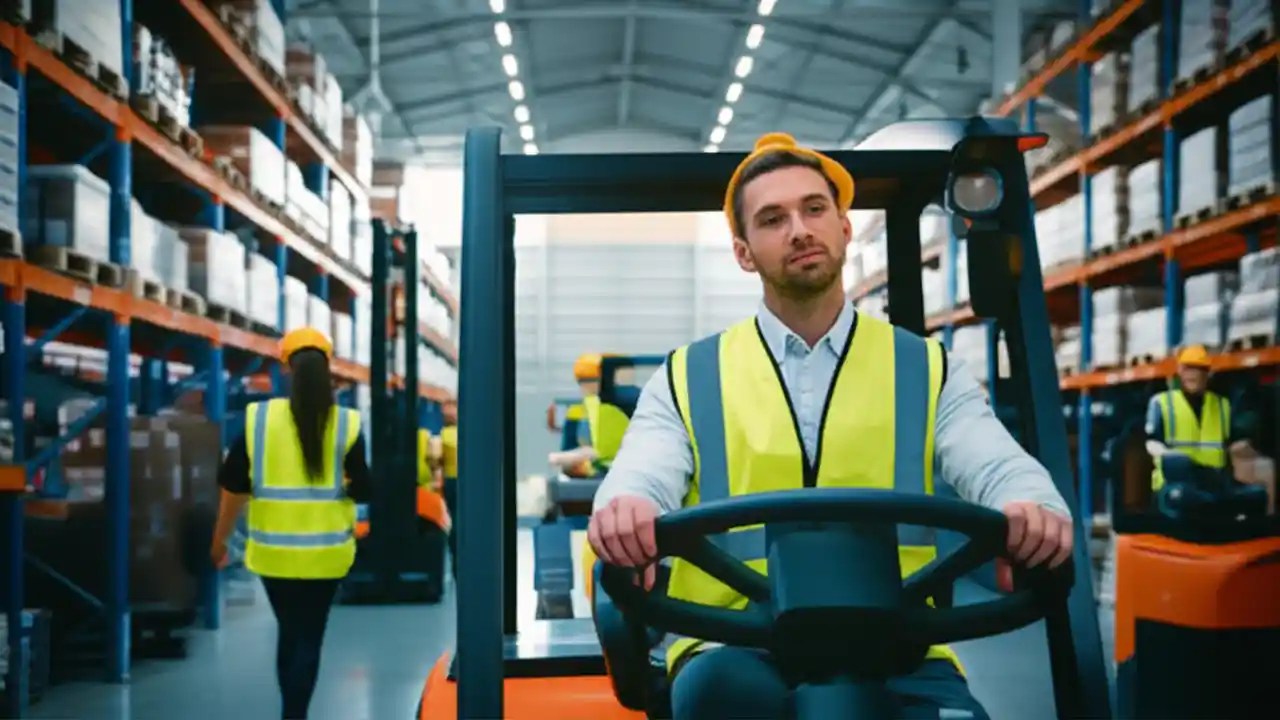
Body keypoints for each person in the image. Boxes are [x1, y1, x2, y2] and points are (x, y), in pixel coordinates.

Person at [586, 132, 1075, 720]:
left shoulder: (927, 368)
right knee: (723, 701)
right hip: (735, 644)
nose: (798, 229)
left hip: (899, 650)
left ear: (844, 228)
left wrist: (1030, 504)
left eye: (814, 209)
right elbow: (643, 468)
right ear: (744, 253)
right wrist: (626, 507)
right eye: (772, 219)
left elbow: (995, 461)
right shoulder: (689, 375)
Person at [210, 327, 369, 720]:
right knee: (310, 636)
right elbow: (365, 489)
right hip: (327, 556)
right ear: (328, 370)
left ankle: (291, 714)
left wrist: (220, 542)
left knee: (290, 631)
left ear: (286, 368)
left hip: (274, 555)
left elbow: (233, 487)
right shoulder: (346, 424)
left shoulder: (258, 420)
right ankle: (296, 714)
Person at [1144, 344, 1246, 491]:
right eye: (1187, 369)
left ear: (1207, 374)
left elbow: (1234, 442)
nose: (1192, 374)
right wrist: (1173, 457)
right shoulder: (1161, 402)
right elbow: (1152, 443)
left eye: (1198, 369)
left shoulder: (1222, 405)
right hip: (1174, 484)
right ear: (1180, 371)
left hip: (1213, 484)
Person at [426, 399, 459, 578]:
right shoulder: (467, 433)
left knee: (455, 521)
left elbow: (435, 460)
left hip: (451, 482)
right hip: (458, 481)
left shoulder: (443, 435)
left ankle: (456, 558)